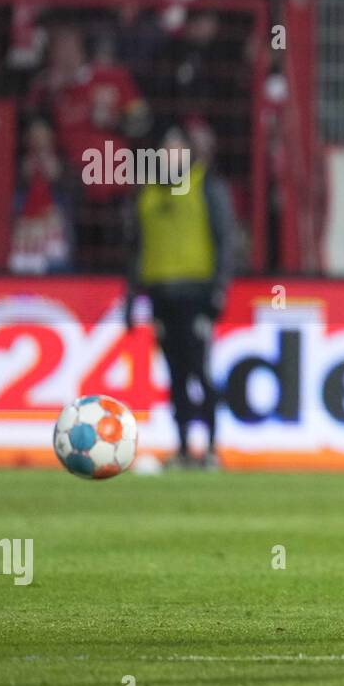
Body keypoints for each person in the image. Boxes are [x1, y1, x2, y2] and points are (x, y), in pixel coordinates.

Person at [125, 125, 236, 469]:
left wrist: (219, 290)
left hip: (196, 293)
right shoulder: (147, 193)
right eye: (165, 149)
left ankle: (213, 447)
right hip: (160, 294)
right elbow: (137, 249)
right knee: (174, 375)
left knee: (199, 372)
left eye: (176, 148)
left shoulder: (206, 186)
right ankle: (185, 447)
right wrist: (132, 296)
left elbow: (225, 240)